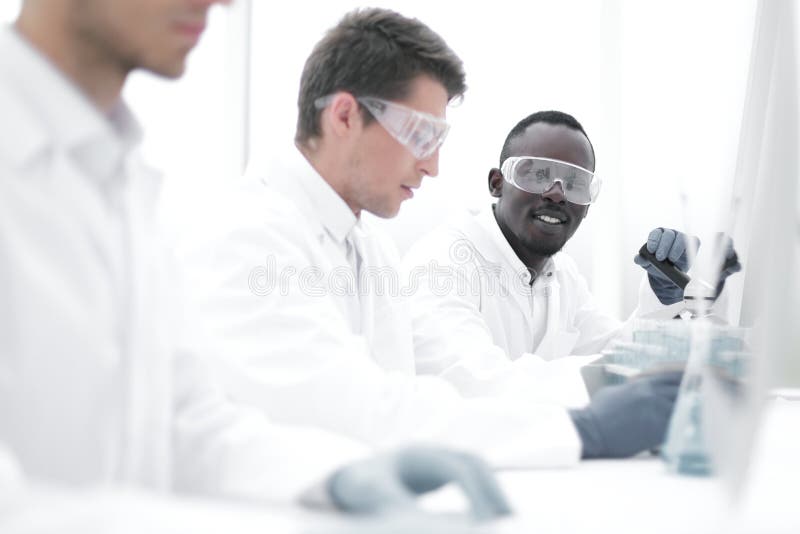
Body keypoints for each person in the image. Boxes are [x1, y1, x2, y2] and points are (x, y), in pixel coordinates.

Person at [0, 0, 512, 520]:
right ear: (343, 116)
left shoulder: (118, 182)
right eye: (421, 134)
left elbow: (188, 427)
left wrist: (332, 476)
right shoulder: (239, 230)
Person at [188, 8, 683, 465]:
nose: (432, 166)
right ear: (344, 117)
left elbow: (416, 393)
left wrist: (654, 332)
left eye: (438, 141)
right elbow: (359, 408)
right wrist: (581, 429)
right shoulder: (251, 237)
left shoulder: (368, 245)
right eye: (420, 135)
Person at [400, 110, 741, 405]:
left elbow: (614, 350)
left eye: (576, 184)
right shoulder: (440, 264)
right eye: (538, 174)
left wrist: (664, 301)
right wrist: (617, 377)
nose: (556, 194)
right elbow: (474, 383)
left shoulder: (560, 274)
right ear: (496, 183)